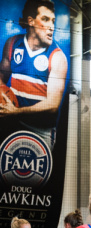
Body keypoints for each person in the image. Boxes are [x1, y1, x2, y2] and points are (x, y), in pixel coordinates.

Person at [0, 0, 69, 149]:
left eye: (53, 21)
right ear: (31, 21)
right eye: (45, 19)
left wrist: (17, 112)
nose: (51, 27)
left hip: (41, 130)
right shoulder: (12, 44)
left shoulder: (57, 57)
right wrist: (4, 99)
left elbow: (53, 105)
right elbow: (1, 79)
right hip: (12, 122)